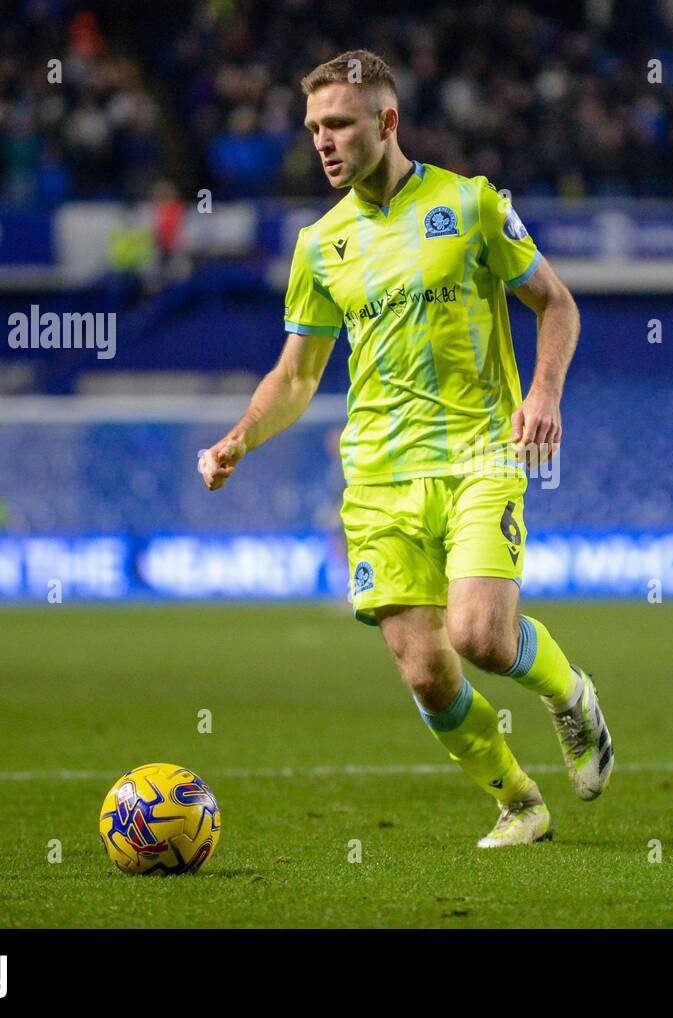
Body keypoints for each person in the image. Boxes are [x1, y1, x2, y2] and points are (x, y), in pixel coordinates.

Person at [199, 50, 612, 845]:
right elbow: (295, 376)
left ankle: (571, 699)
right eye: (314, 126)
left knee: (481, 637)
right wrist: (238, 440)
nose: (322, 141)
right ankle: (519, 800)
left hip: (480, 455)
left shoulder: (472, 204)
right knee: (426, 672)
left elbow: (554, 303)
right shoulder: (319, 245)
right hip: (380, 480)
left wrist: (544, 393)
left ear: (387, 122)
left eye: (340, 124)